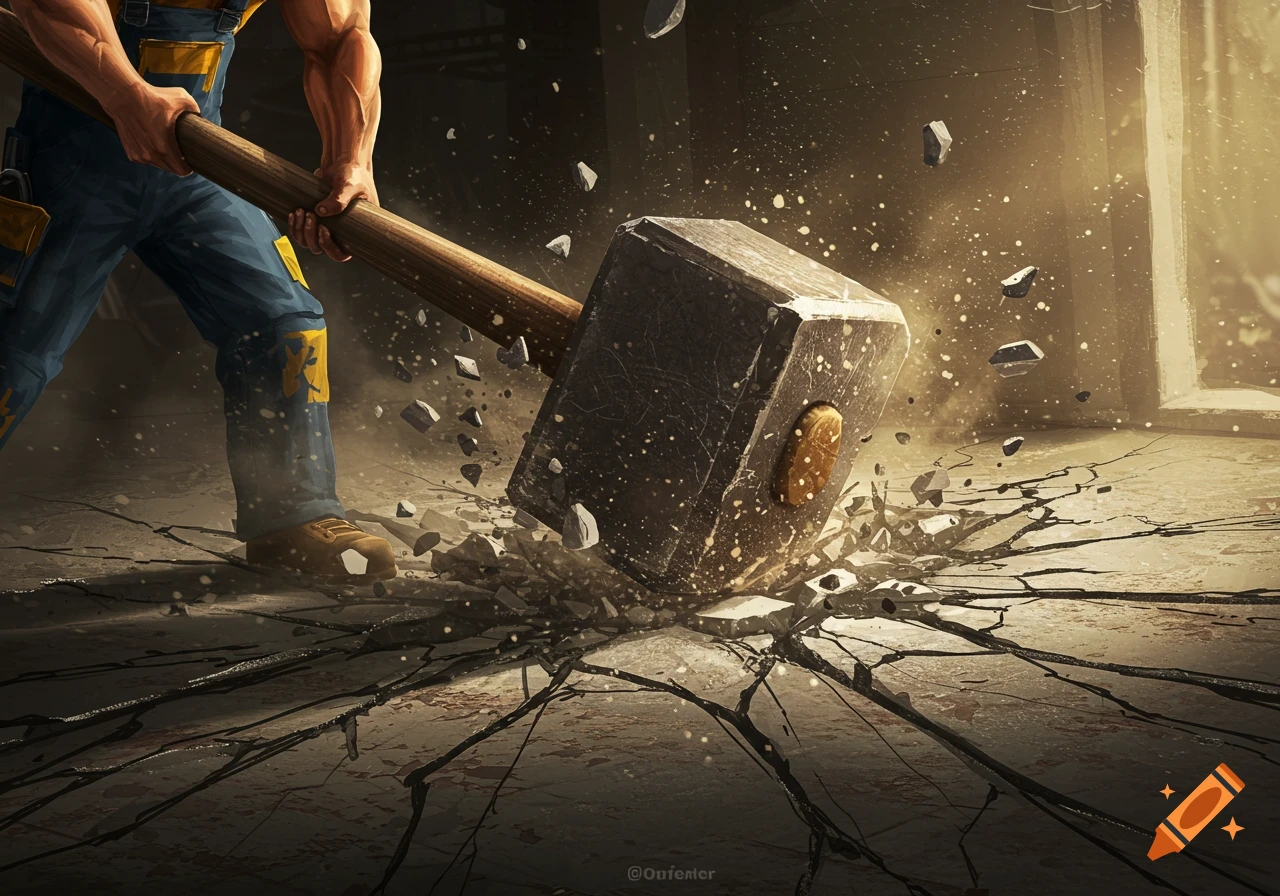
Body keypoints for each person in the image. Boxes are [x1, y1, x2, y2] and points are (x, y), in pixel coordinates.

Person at [0, 0, 396, 581]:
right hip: (75, 161)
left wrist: (350, 159)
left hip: (193, 167)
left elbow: (342, 38)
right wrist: (126, 93)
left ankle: (291, 517)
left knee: (282, 322)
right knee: (15, 349)